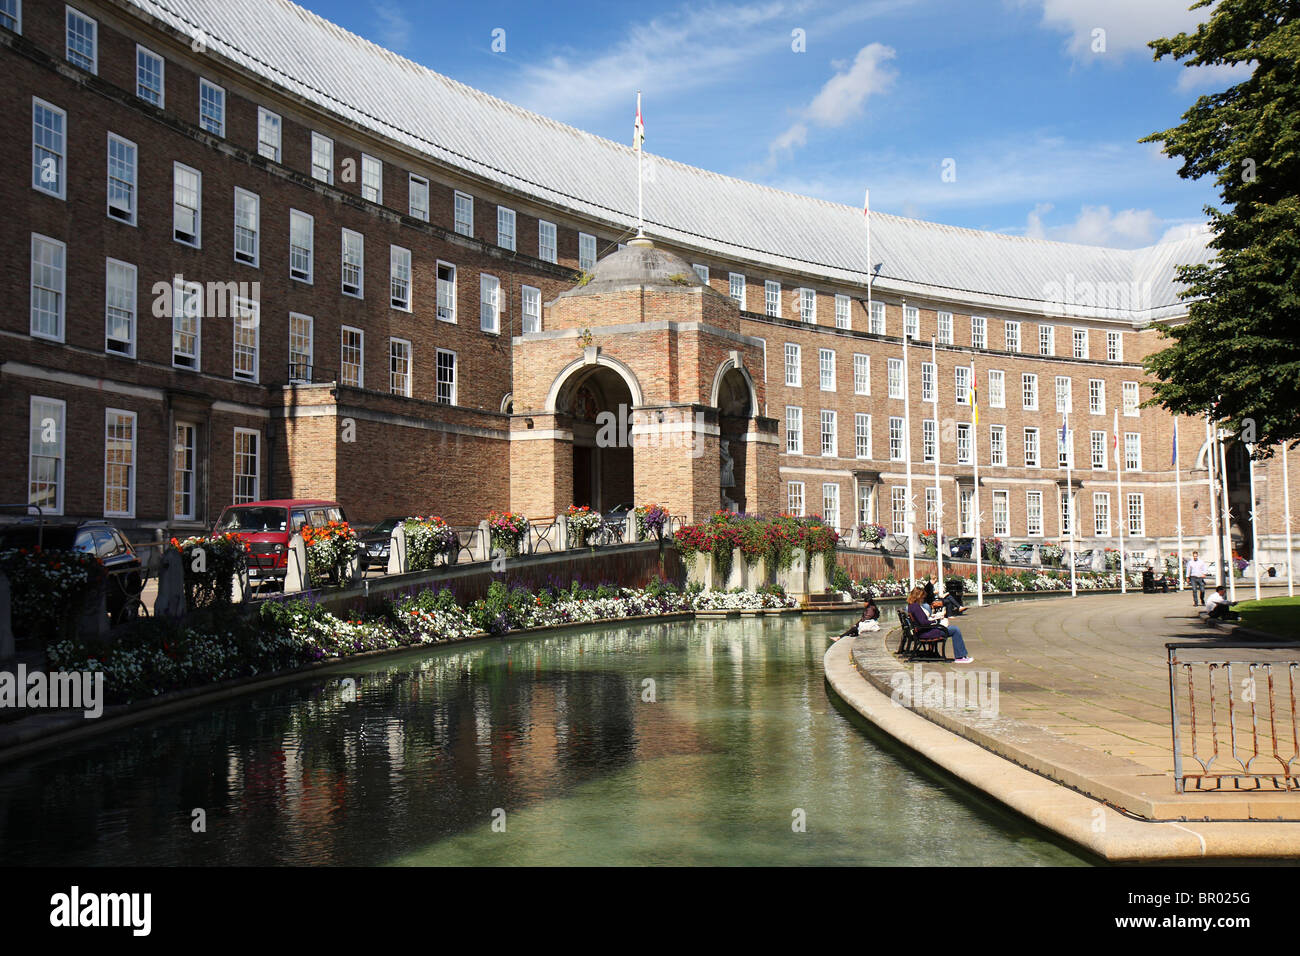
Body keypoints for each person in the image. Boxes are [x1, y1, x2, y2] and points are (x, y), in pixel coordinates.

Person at [906, 585, 972, 663]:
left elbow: (922, 621)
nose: (923, 599)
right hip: (926, 632)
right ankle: (960, 656)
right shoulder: (916, 607)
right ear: (918, 596)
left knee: (952, 628)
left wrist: (934, 618)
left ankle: (961, 655)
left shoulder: (911, 606)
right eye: (922, 597)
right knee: (955, 630)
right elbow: (924, 623)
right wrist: (936, 621)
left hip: (923, 631)